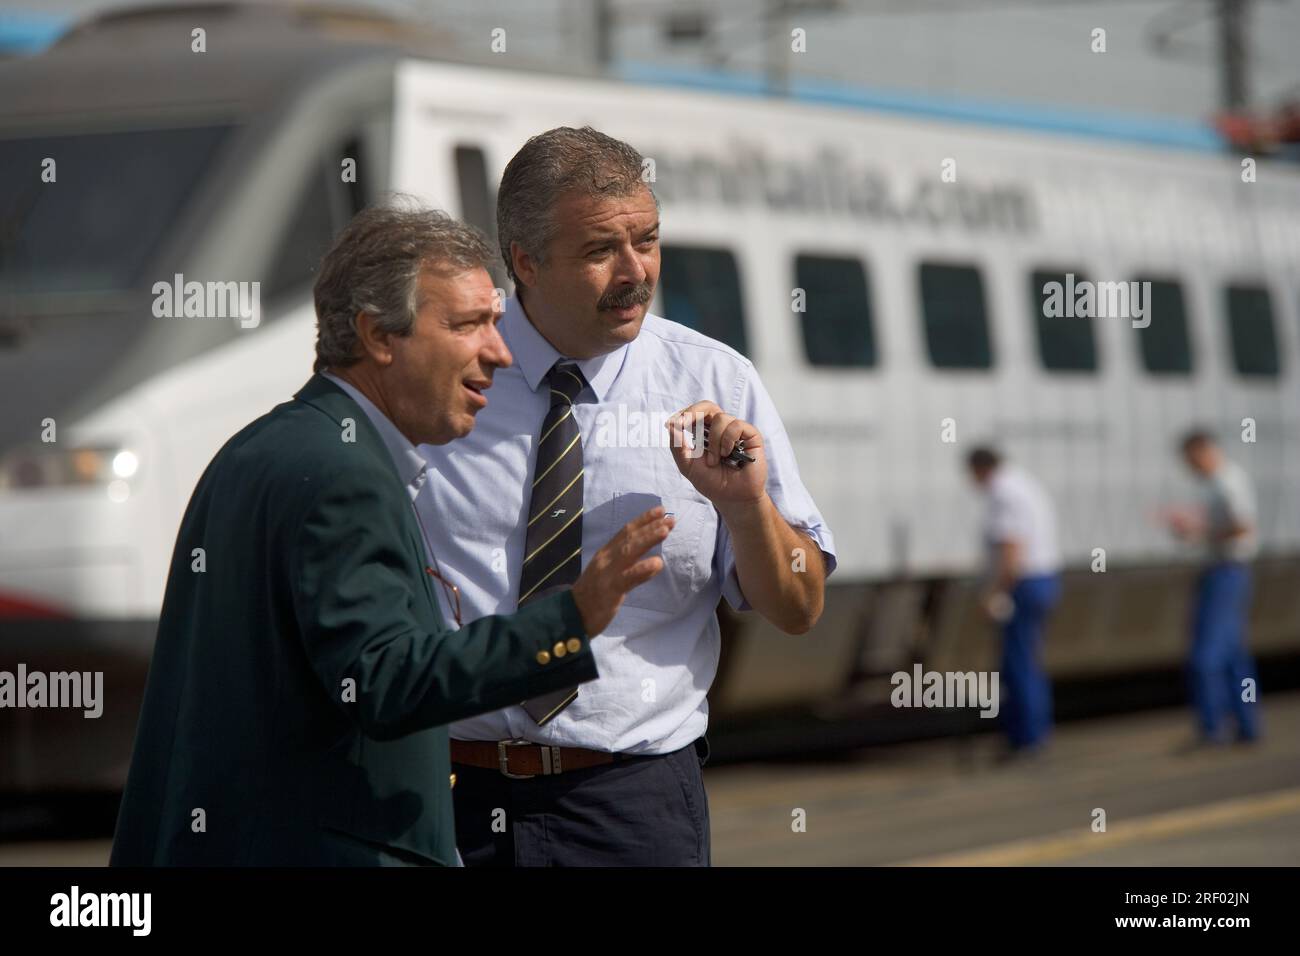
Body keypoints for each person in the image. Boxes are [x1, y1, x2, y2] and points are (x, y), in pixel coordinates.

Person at [110, 204, 672, 866]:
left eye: (496, 322)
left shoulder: (266, 449)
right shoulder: (343, 475)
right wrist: (569, 618)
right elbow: (384, 680)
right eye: (468, 325)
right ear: (379, 336)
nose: (499, 352)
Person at [417, 126, 836, 866]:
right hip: (451, 802)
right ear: (525, 261)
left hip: (632, 808)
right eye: (600, 250)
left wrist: (747, 507)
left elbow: (799, 607)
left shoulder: (716, 382)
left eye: (647, 240)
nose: (635, 271)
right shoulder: (442, 382)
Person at [1165, 429, 1261, 745]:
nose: (1189, 467)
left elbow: (1242, 525)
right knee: (1234, 654)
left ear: (1202, 452)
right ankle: (1247, 725)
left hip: (1225, 572)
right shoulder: (1219, 482)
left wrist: (1200, 533)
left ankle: (1212, 727)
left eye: (1190, 459)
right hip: (1226, 571)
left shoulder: (1226, 482)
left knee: (1206, 654)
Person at [966, 447, 1061, 756]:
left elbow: (1011, 549)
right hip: (1043, 577)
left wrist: (994, 592)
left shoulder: (1003, 492)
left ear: (979, 469)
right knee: (1026, 659)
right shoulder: (1023, 484)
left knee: (1019, 663)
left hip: (1024, 583)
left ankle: (1028, 739)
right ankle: (1030, 735)